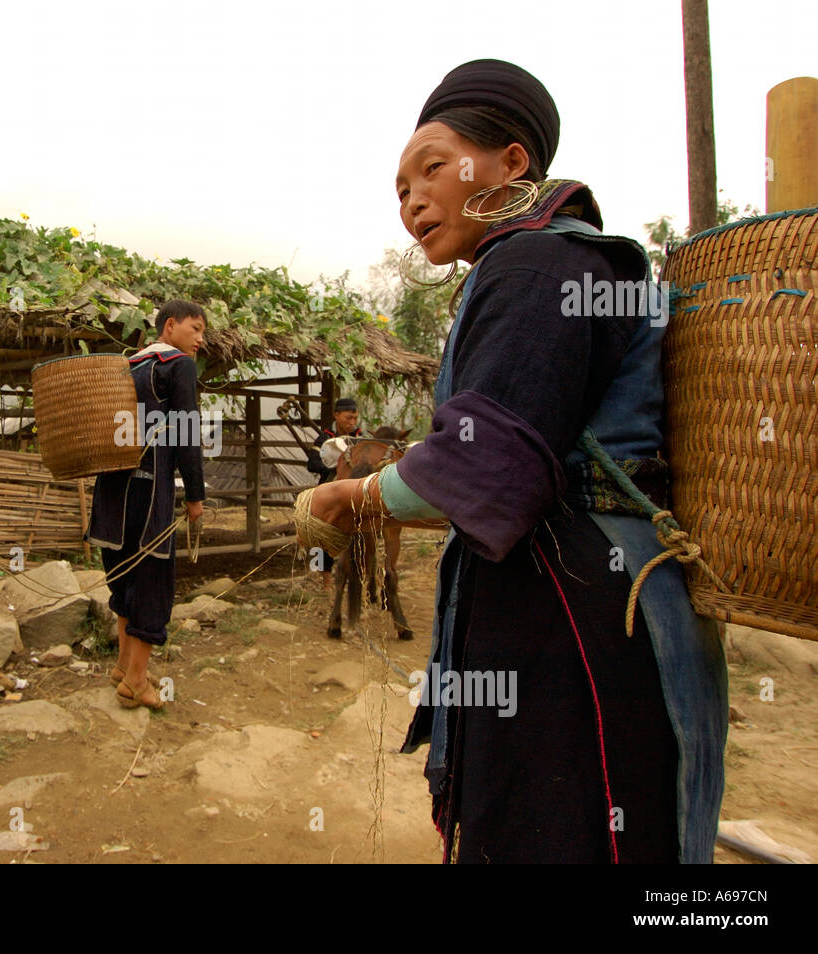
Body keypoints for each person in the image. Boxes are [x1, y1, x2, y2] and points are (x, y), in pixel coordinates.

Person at [298, 59, 727, 863]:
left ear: (513, 163)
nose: (412, 199)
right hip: (598, 598)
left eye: (432, 167)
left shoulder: (535, 267)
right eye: (398, 190)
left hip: (574, 624)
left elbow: (483, 465)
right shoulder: (556, 265)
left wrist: (352, 494)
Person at [86, 299, 207, 709]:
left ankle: (123, 665)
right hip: (150, 488)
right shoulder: (178, 366)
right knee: (152, 581)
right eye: (196, 329)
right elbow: (187, 433)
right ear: (169, 326)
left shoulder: (127, 365)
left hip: (111, 490)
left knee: (122, 576)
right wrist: (195, 495)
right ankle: (136, 682)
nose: (200, 340)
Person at [306, 396, 362, 485]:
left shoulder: (360, 439)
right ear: (336, 415)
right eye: (348, 418)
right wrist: (337, 467)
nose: (352, 422)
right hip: (330, 486)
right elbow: (312, 464)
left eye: (355, 418)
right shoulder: (325, 438)